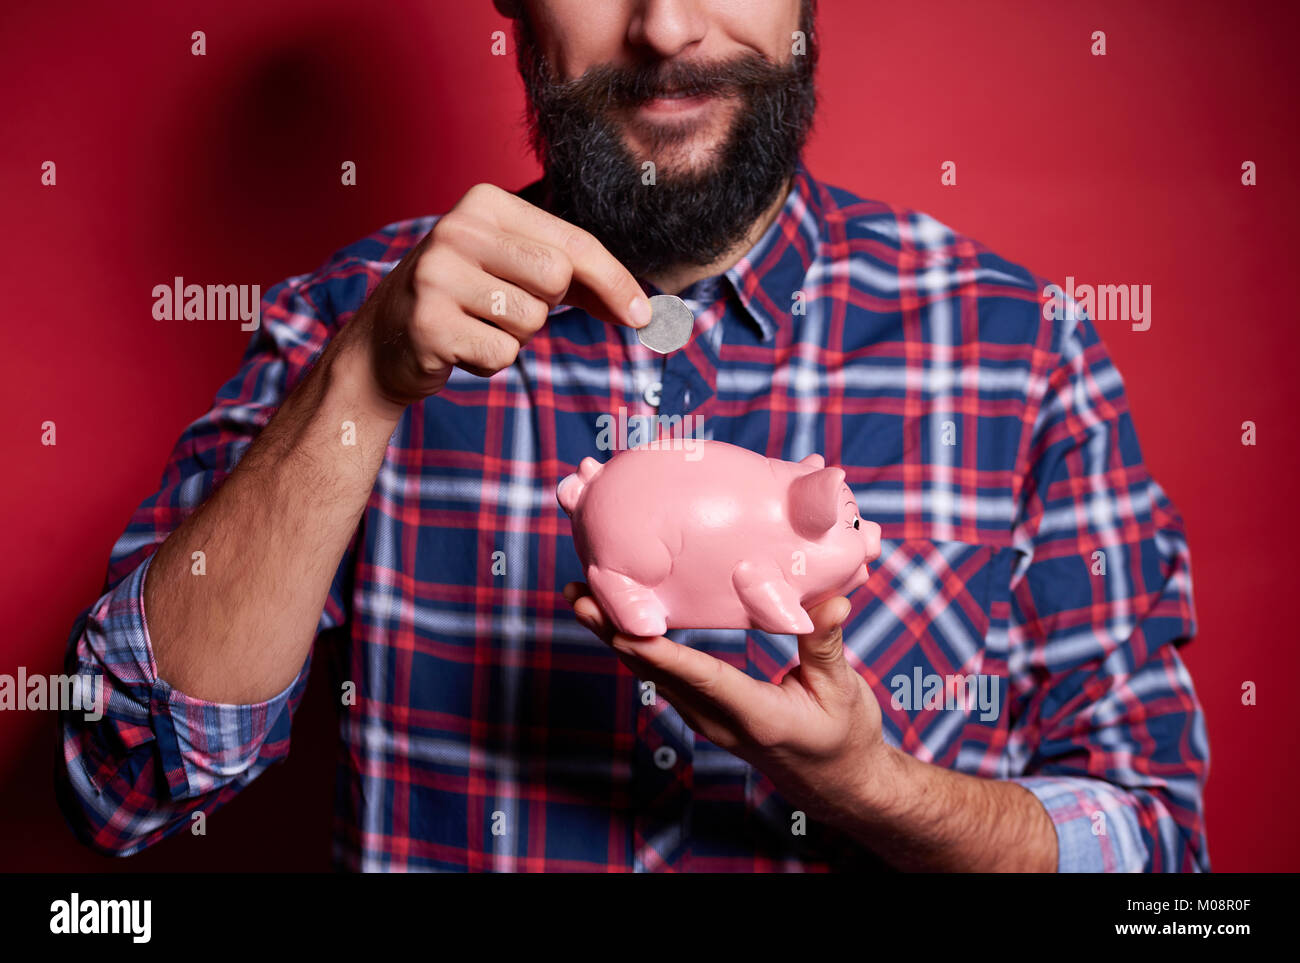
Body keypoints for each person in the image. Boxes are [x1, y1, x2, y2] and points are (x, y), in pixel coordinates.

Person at [56, 0, 1209, 871]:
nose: (663, 28)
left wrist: (875, 787)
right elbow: (121, 784)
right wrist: (360, 380)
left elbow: (1161, 859)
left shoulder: (1017, 349)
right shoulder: (349, 319)